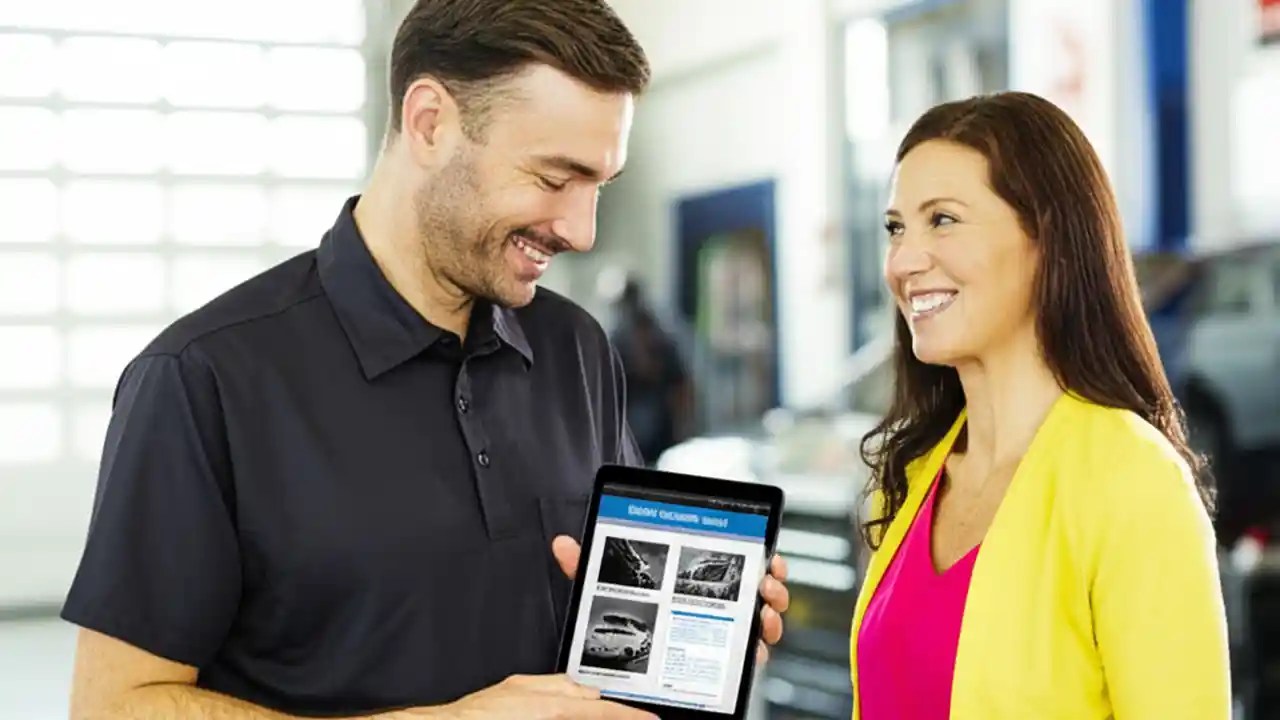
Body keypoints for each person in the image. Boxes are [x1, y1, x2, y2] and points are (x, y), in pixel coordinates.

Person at [61, 2, 790, 718]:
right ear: (430, 122)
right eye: (552, 178)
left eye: (599, 186)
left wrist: (691, 643)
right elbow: (113, 706)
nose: (583, 229)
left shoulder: (577, 350)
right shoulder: (203, 378)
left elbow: (599, 652)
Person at [850, 92, 1229, 719]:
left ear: (1046, 237)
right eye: (896, 228)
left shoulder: (1132, 480)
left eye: (942, 219)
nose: (904, 261)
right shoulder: (913, 475)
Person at [610, 276, 693, 464]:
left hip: (659, 427)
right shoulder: (618, 341)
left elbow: (681, 384)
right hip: (632, 431)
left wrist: (683, 425)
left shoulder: (659, 337)